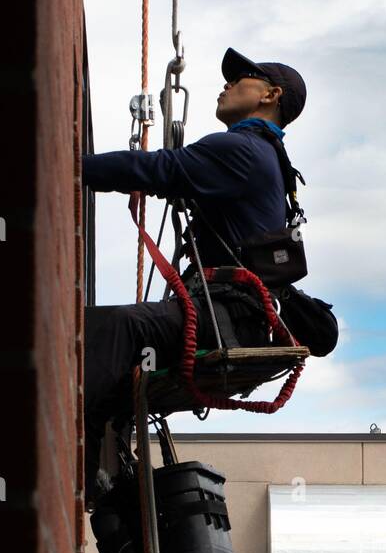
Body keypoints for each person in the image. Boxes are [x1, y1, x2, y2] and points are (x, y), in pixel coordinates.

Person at [80, 47, 307, 510]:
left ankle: (63, 435)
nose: (226, 85)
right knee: (124, 357)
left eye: (241, 78)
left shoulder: (243, 149)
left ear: (271, 95)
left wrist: (73, 167)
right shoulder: (272, 162)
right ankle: (97, 457)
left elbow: (159, 169)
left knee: (112, 329)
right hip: (231, 317)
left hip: (219, 317)